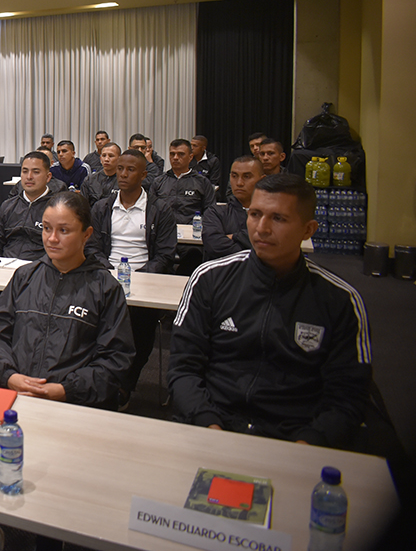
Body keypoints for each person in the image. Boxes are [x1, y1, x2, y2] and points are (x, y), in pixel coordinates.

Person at [0, 191, 136, 551]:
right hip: (14, 396)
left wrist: (65, 389)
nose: (51, 238)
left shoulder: (104, 288)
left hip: (71, 405)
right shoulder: (26, 277)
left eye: (64, 230)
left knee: (54, 499)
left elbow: (116, 362)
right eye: (46, 228)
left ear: (87, 235)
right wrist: (10, 375)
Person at [169, 174, 371, 450]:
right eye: (255, 214)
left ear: (308, 230)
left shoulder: (339, 299)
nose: (261, 228)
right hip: (214, 425)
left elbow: (348, 395)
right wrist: (208, 425)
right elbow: (183, 368)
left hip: (296, 436)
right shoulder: (210, 279)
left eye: (278, 219)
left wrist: (309, 442)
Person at [86, 149, 177, 403]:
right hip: (107, 276)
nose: (123, 174)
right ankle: (94, 378)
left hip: (146, 280)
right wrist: (109, 271)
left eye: (131, 170)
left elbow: (165, 255)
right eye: (120, 169)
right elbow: (92, 247)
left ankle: (125, 386)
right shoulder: (103, 207)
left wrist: (139, 277)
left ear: (144, 174)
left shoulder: (159, 210)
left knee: (139, 329)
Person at [150, 139, 215, 274]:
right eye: (172, 154)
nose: (175, 158)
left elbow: (211, 211)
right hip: (162, 237)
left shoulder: (202, 182)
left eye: (180, 154)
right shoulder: (159, 181)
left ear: (190, 157)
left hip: (191, 240)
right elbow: (150, 210)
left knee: (194, 256)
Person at [0, 151, 53, 261]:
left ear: (48, 177)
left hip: (40, 269)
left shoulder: (56, 209)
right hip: (5, 266)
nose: (29, 177)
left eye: (36, 172)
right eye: (25, 171)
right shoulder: (8, 206)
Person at [202, 156, 263, 261]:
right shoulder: (216, 212)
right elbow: (214, 246)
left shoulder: (272, 214)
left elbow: (277, 244)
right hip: (223, 274)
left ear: (262, 180)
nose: (239, 183)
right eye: (234, 176)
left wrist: (234, 236)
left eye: (247, 176)